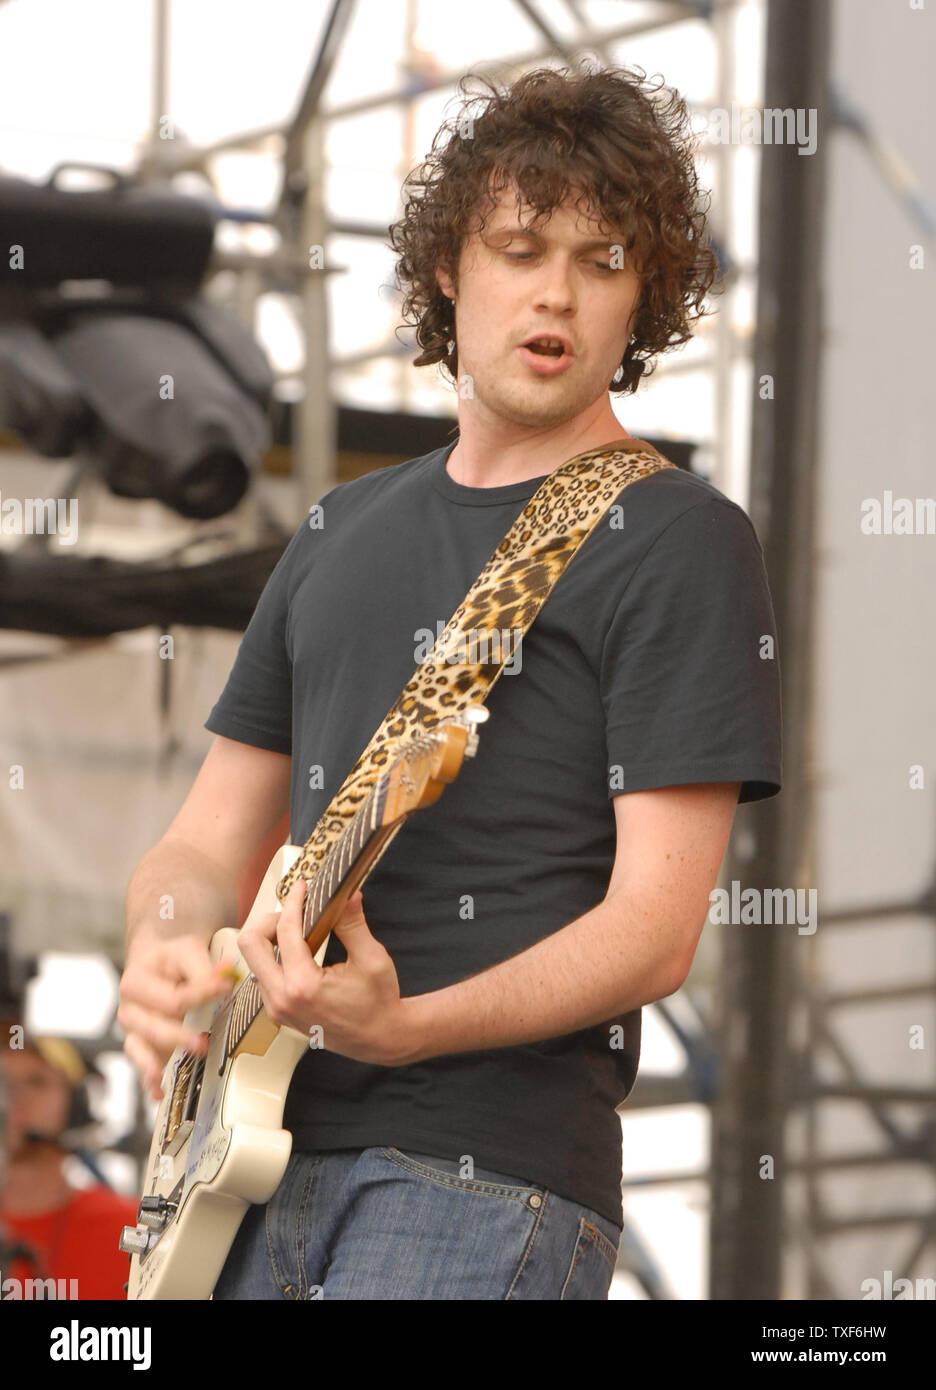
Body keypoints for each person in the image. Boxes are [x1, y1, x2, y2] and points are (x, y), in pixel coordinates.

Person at [118, 62, 782, 1300]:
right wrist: (160, 947)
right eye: (521, 247)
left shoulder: (678, 534)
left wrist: (406, 1026)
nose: (557, 293)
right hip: (246, 1170)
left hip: (487, 1181)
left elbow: (653, 932)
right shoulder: (336, 530)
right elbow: (204, 840)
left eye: (603, 260)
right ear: (446, 268)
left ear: (645, 295)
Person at [0, 1035, 138, 1299]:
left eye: (35, 1082)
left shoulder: (131, 1230)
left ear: (78, 1105)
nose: (11, 1098)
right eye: (3, 1081)